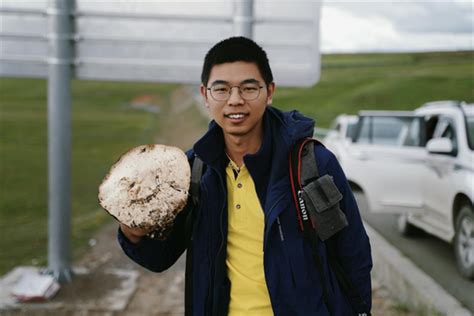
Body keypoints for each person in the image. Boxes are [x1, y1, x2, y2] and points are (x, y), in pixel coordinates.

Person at [118, 36, 372, 316]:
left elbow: (354, 254)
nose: (235, 100)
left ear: (270, 91)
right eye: (222, 89)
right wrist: (133, 233)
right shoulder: (192, 171)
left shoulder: (312, 164)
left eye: (249, 88)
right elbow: (160, 258)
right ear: (205, 95)